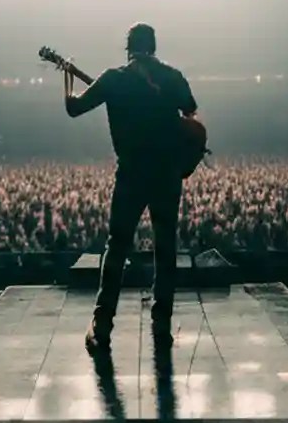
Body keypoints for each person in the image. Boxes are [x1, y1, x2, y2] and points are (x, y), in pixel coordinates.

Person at [63, 23, 198, 351]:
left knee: (117, 245)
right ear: (154, 46)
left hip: (132, 174)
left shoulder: (113, 78)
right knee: (165, 247)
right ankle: (161, 322)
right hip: (166, 173)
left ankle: (103, 323)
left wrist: (67, 77)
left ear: (128, 48)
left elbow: (74, 107)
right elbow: (190, 111)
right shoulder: (172, 76)